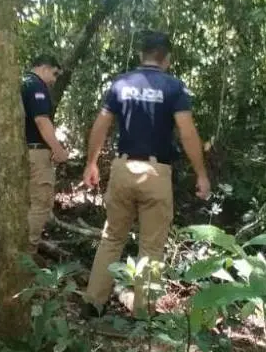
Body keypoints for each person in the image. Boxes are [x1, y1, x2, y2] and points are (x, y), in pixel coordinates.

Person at [82, 30, 210, 316]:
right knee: (151, 247)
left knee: (112, 238)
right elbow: (188, 133)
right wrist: (201, 173)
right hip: (156, 172)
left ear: (141, 55)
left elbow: (101, 124)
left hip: (123, 168)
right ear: (166, 59)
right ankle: (143, 315)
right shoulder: (174, 88)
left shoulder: (121, 83)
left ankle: (92, 304)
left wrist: (91, 162)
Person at [21, 54, 69, 252]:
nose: (54, 80)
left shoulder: (22, 82)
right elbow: (41, 120)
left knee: (27, 203)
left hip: (23, 151)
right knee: (41, 203)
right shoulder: (35, 85)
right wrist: (57, 149)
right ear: (44, 67)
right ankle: (26, 253)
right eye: (54, 74)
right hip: (35, 153)